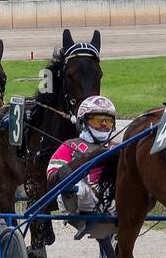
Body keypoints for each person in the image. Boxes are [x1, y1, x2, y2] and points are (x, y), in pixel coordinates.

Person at [46, 95, 117, 225]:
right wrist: (83, 161)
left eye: (108, 121)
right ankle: (71, 195)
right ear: (83, 122)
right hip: (80, 198)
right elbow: (52, 179)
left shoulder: (117, 147)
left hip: (113, 197)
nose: (103, 124)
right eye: (98, 120)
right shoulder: (70, 145)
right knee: (79, 188)